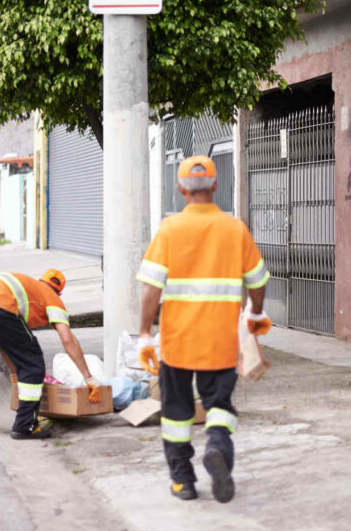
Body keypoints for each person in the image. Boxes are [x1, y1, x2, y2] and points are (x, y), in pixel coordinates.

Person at [136, 155, 272, 503]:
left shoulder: (169, 229)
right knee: (219, 404)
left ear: (181, 188)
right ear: (214, 185)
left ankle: (183, 481)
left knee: (177, 413)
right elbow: (257, 281)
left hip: (178, 341)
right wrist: (255, 314)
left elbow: (151, 287)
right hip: (221, 340)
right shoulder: (234, 228)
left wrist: (144, 334)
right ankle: (218, 446)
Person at [0, 268, 102, 439]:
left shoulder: (29, 287)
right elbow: (67, 339)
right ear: (59, 292)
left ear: (41, 280)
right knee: (33, 364)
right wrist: (88, 377)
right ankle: (25, 426)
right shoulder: (52, 298)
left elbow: (7, 342)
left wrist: (14, 374)